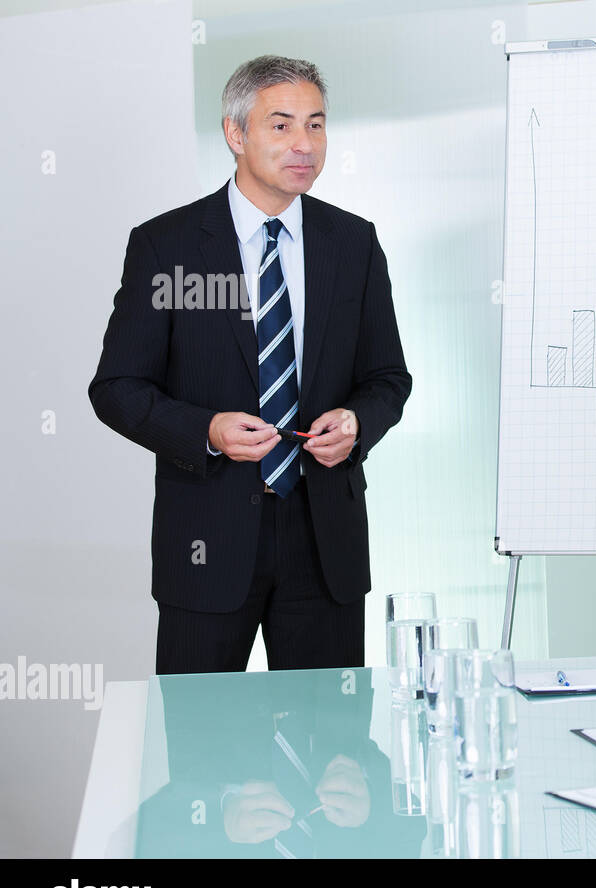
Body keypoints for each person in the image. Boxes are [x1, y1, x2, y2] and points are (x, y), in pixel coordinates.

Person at [89, 55, 412, 674]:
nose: (305, 145)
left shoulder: (353, 242)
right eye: (283, 125)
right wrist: (206, 431)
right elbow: (117, 388)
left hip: (325, 545)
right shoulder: (167, 244)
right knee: (200, 755)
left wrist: (357, 423)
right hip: (206, 541)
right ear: (236, 135)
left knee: (329, 755)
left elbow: (388, 377)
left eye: (317, 125)